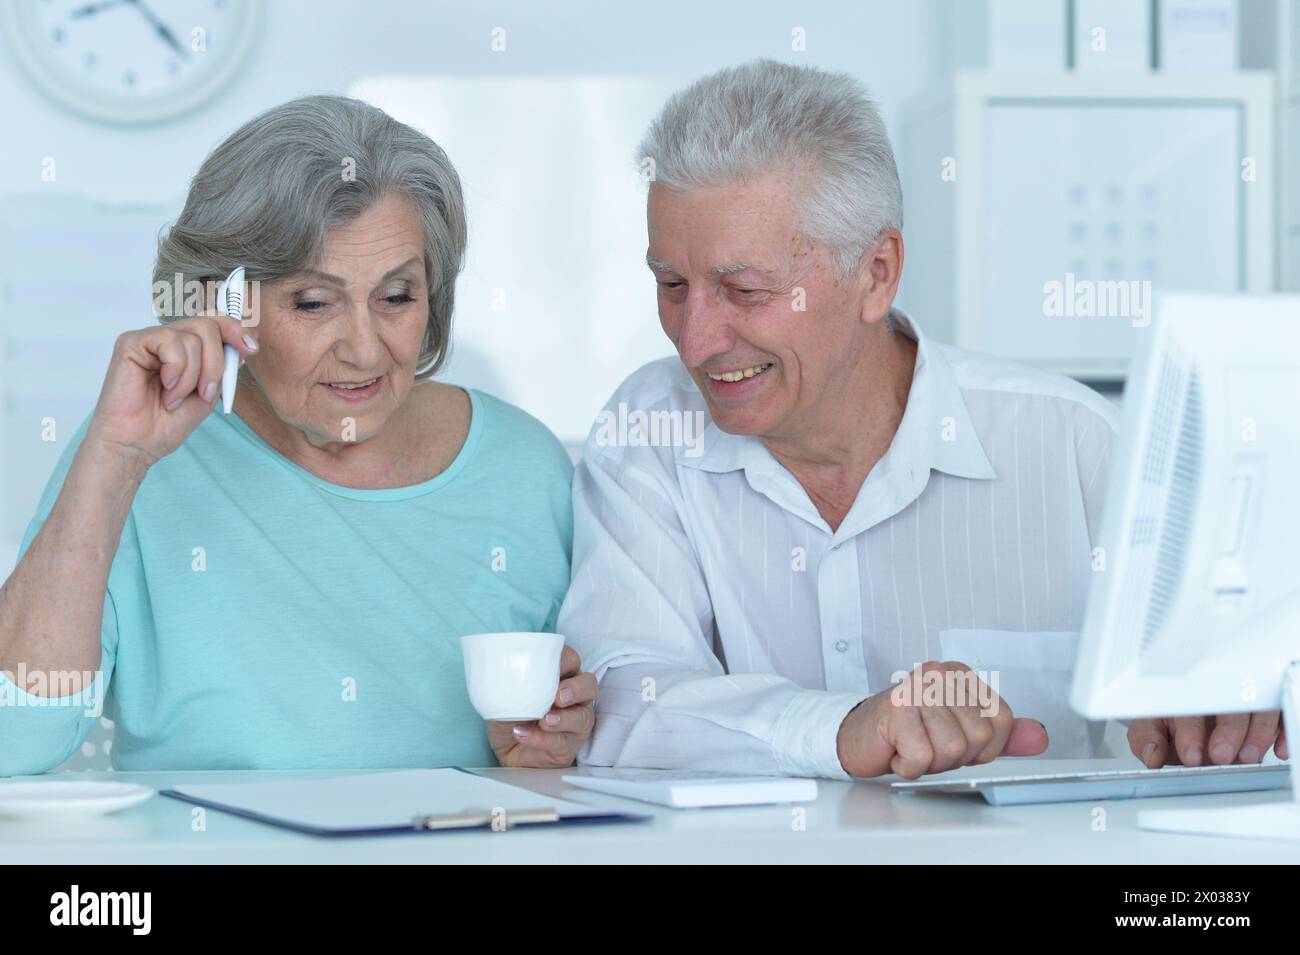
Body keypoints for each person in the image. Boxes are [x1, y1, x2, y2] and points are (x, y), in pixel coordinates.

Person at [557, 60, 1286, 779]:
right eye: (672, 284)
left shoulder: (1074, 444)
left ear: (877, 273)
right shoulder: (649, 431)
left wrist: (1239, 702)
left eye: (744, 290)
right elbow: (621, 702)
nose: (694, 340)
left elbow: (1247, 665)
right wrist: (844, 729)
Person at [0, 96, 595, 775]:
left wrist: (554, 741)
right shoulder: (135, 456)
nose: (366, 351)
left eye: (397, 296)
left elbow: (592, 733)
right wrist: (111, 461)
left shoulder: (524, 467)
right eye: (314, 302)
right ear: (219, 304)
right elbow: (12, 744)